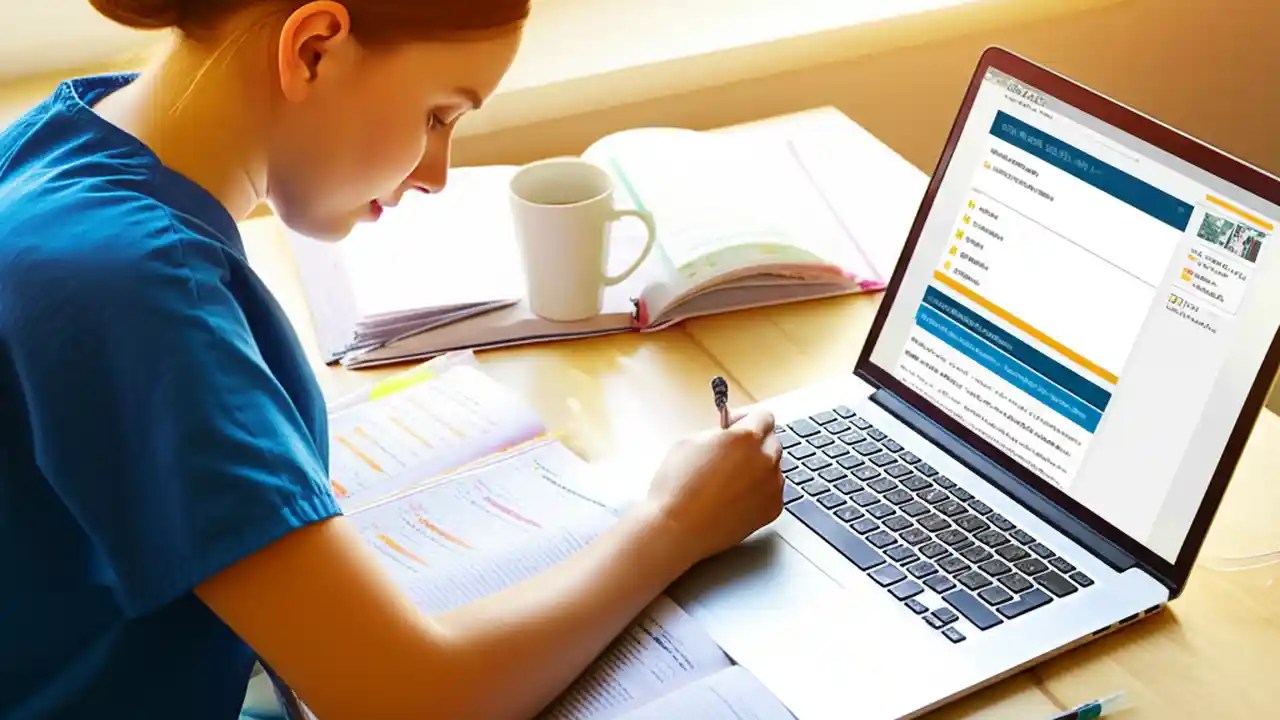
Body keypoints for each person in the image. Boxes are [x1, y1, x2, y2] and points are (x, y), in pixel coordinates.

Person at [0, 1, 784, 717]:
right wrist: (673, 523)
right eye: (439, 115)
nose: (438, 172)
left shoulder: (70, 137)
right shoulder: (138, 286)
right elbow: (409, 698)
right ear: (313, 49)